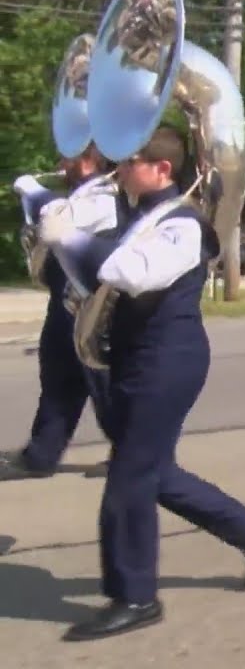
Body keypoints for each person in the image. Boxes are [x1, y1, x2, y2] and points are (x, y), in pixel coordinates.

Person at [42, 125, 245, 641]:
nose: (118, 169)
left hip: (167, 363)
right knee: (152, 471)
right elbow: (93, 277)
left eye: (129, 162)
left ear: (162, 169)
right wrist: (51, 216)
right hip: (132, 359)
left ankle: (135, 596)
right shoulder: (140, 216)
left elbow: (130, 274)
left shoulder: (183, 226)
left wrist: (72, 240)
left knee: (127, 478)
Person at [1, 147, 116, 482]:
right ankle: (42, 454)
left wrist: (35, 193)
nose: (61, 165)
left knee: (104, 386)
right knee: (57, 381)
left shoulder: (107, 197)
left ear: (91, 161)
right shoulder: (79, 195)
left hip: (93, 307)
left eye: (69, 158)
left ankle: (130, 452)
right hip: (62, 303)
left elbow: (60, 216)